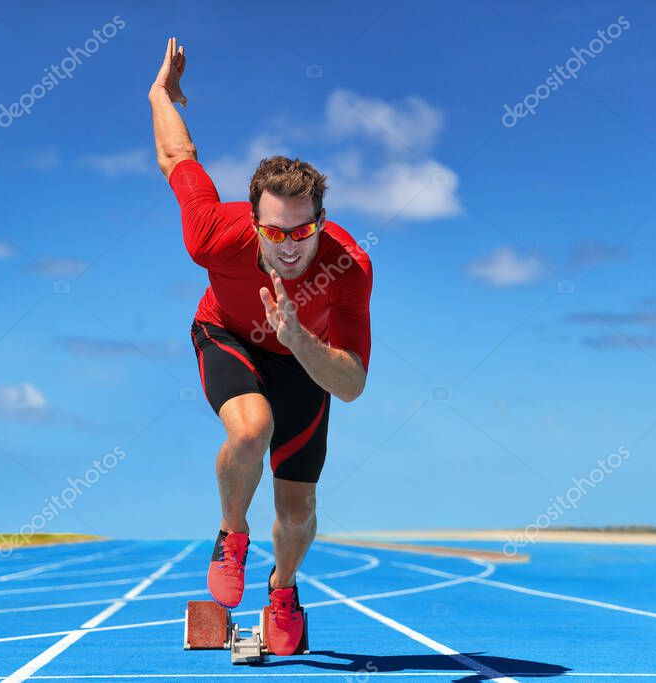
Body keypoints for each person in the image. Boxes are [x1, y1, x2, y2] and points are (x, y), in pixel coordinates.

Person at [148, 37, 373, 656]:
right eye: (275, 231)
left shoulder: (349, 266)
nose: (290, 245)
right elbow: (177, 156)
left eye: (303, 231)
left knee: (297, 510)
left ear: (320, 223)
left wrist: (300, 338)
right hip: (226, 334)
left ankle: (283, 588)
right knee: (251, 428)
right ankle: (231, 532)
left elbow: (351, 384)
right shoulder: (211, 234)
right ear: (253, 223)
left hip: (306, 358)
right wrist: (160, 93)